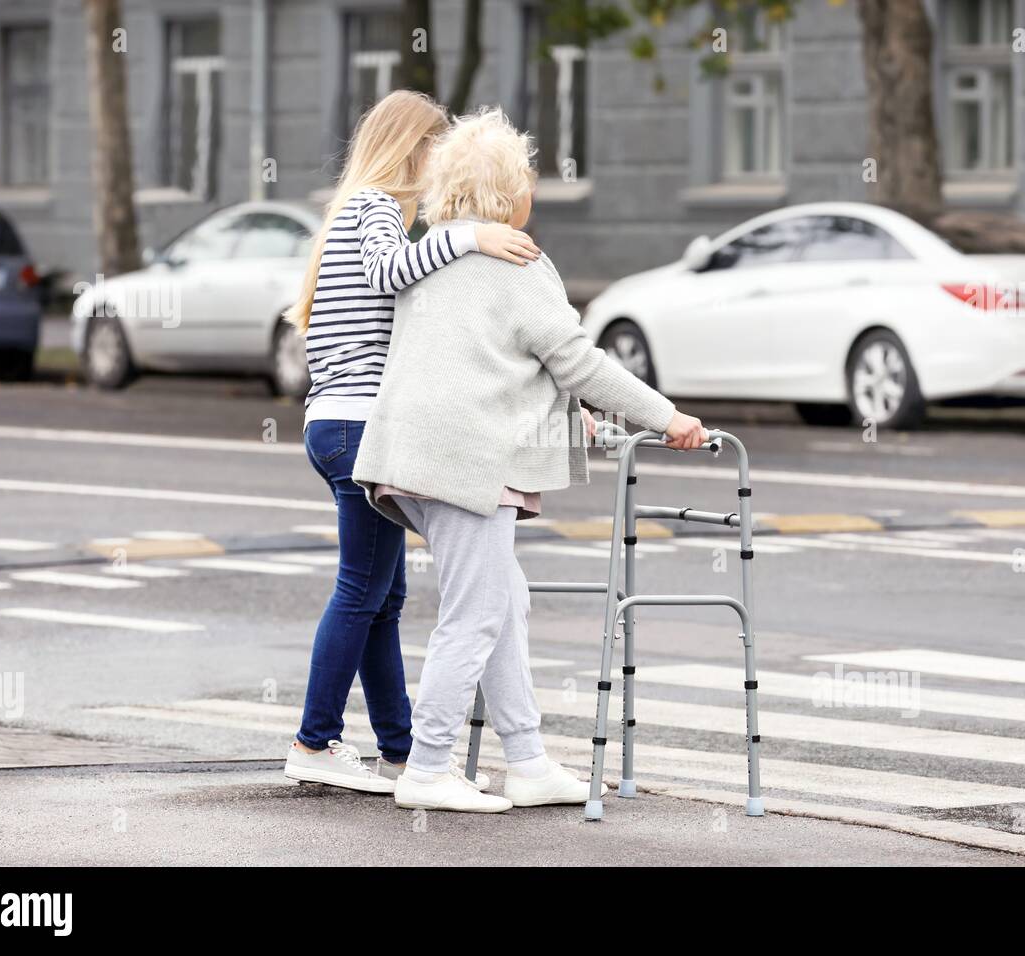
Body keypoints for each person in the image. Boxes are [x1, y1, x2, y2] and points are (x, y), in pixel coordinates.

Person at [352, 108, 708, 812]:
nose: (534, 194)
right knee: (475, 613)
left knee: (500, 599)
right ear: (505, 190)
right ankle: (426, 766)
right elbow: (578, 362)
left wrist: (548, 405)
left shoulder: (435, 252)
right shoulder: (515, 259)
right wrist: (668, 417)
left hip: (407, 457)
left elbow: (478, 356)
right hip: (465, 462)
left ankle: (527, 758)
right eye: (527, 181)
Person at [282, 91, 541, 794]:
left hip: (338, 422)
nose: (441, 170)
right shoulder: (370, 208)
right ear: (413, 149)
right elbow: (389, 274)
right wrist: (471, 238)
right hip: (358, 423)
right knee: (362, 591)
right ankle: (316, 740)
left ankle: (398, 750)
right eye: (438, 151)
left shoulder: (355, 211)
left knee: (381, 593)